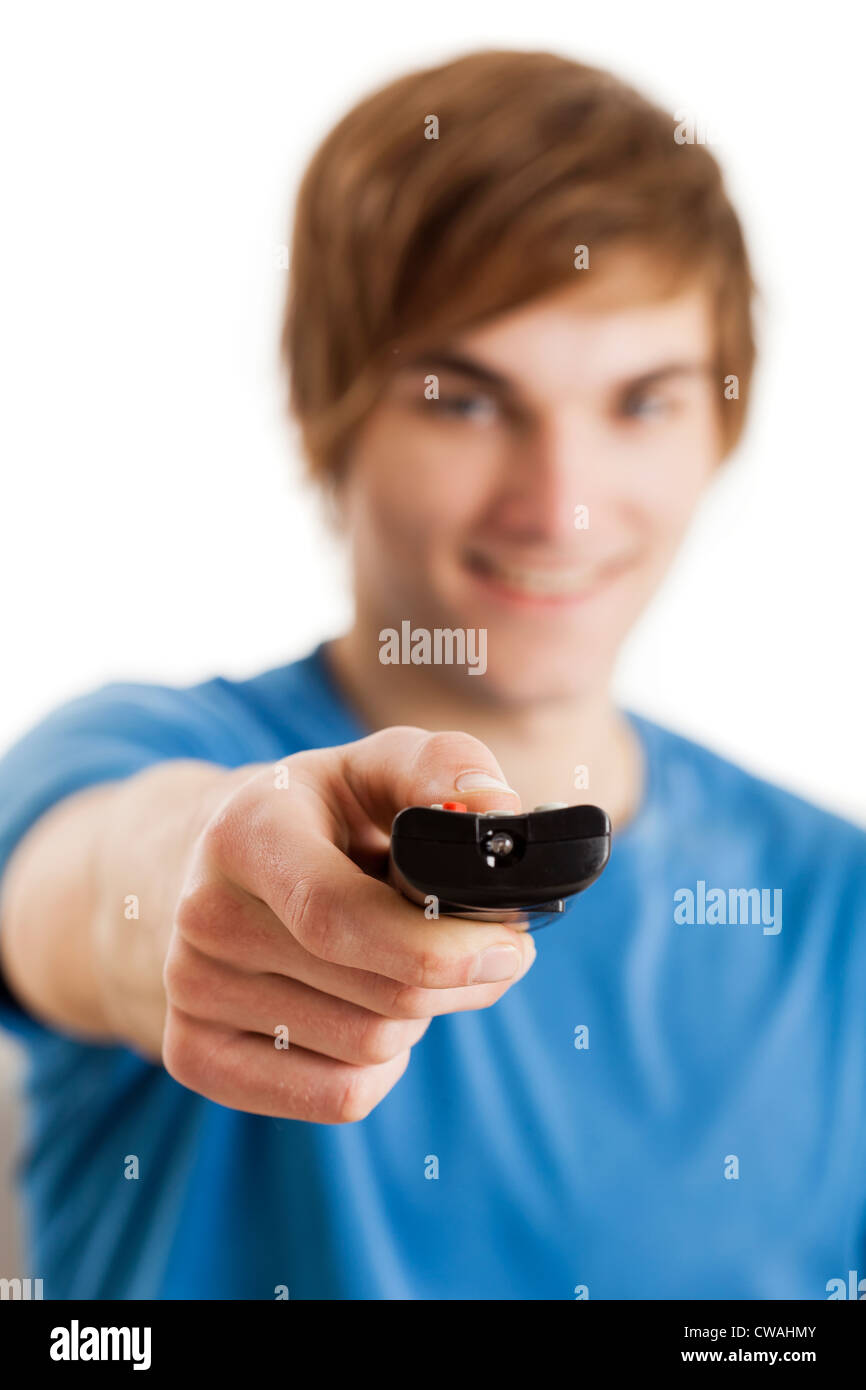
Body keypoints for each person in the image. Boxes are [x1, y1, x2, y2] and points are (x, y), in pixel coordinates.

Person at [0, 48, 863, 1302]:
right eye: (463, 400)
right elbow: (97, 892)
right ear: (323, 410)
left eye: (641, 401)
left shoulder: (836, 909)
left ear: (720, 426)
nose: (558, 506)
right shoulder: (125, 755)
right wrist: (212, 895)